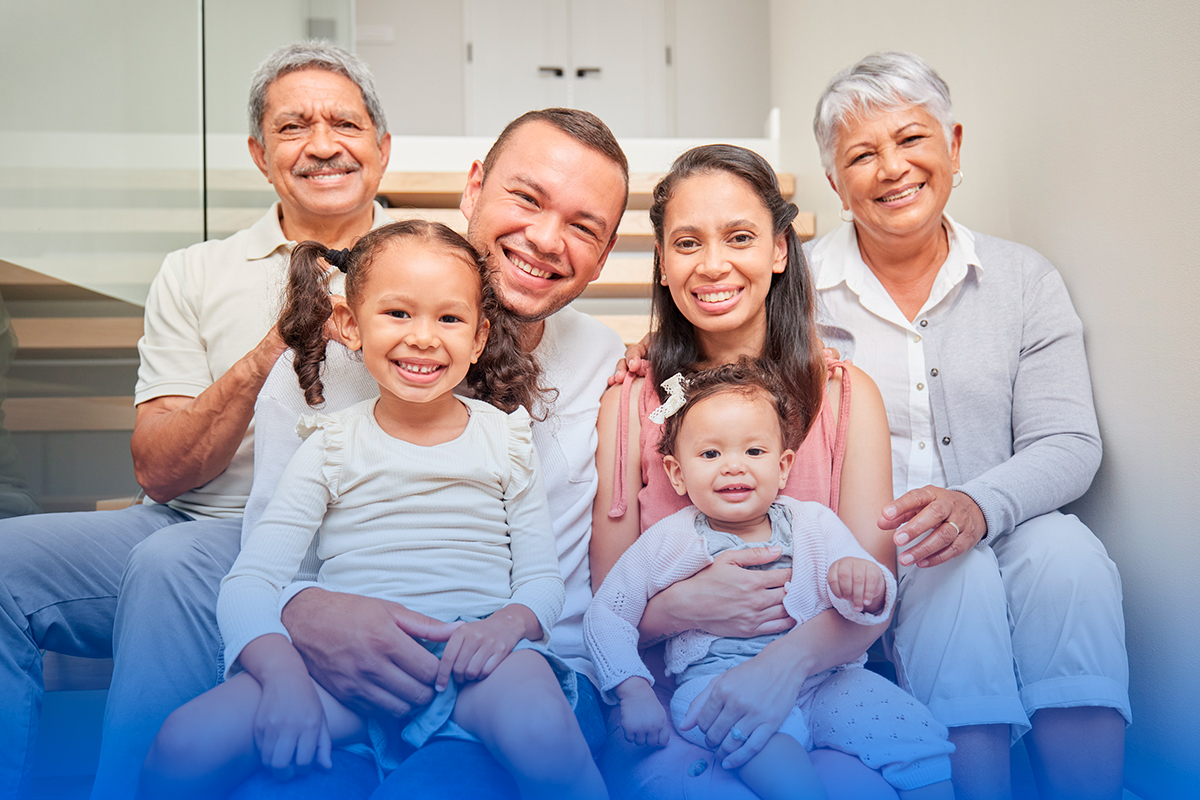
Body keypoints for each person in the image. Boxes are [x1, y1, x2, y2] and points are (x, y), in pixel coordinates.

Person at [0, 41, 393, 800]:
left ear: (381, 146)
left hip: (338, 541)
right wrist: (273, 344)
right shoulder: (197, 270)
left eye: (345, 123)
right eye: (292, 127)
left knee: (171, 564)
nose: (321, 144)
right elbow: (159, 469)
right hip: (189, 514)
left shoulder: (433, 262)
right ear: (256, 153)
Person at [227, 108, 630, 799]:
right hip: (350, 674)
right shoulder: (323, 369)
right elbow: (267, 553)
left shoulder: (604, 361)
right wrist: (302, 608)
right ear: (473, 188)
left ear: (606, 250)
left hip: (524, 677)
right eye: (526, 199)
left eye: (583, 226)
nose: (544, 238)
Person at [141, 222, 606, 800]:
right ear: (350, 326)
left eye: (449, 319)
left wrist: (506, 626)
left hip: (475, 664)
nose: (424, 338)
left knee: (541, 730)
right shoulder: (329, 445)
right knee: (185, 742)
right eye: (397, 314)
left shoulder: (506, 440)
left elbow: (540, 579)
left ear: (480, 337)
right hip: (345, 677)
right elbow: (253, 581)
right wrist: (282, 674)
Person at [808, 52, 1129, 800]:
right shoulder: (794, 288)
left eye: (912, 140)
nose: (893, 168)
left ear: (953, 145)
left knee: (1069, 552)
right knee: (956, 573)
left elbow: (1069, 442)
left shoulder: (1023, 279)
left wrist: (980, 506)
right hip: (872, 545)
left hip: (1008, 518)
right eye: (862, 154)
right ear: (834, 183)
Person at [593, 144, 901, 799]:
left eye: (739, 237)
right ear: (662, 261)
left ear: (780, 250)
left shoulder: (846, 396)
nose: (712, 264)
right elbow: (608, 604)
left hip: (823, 691)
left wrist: (781, 669)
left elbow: (871, 597)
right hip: (675, 709)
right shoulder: (633, 401)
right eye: (685, 242)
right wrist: (681, 608)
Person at [586, 361, 956, 800]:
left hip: (822, 680)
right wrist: (632, 692)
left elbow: (874, 593)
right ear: (676, 473)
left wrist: (863, 583)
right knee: (763, 745)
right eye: (710, 454)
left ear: (783, 467)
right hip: (715, 684)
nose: (733, 468)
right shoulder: (671, 541)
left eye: (754, 452)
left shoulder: (814, 523)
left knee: (903, 725)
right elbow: (607, 613)